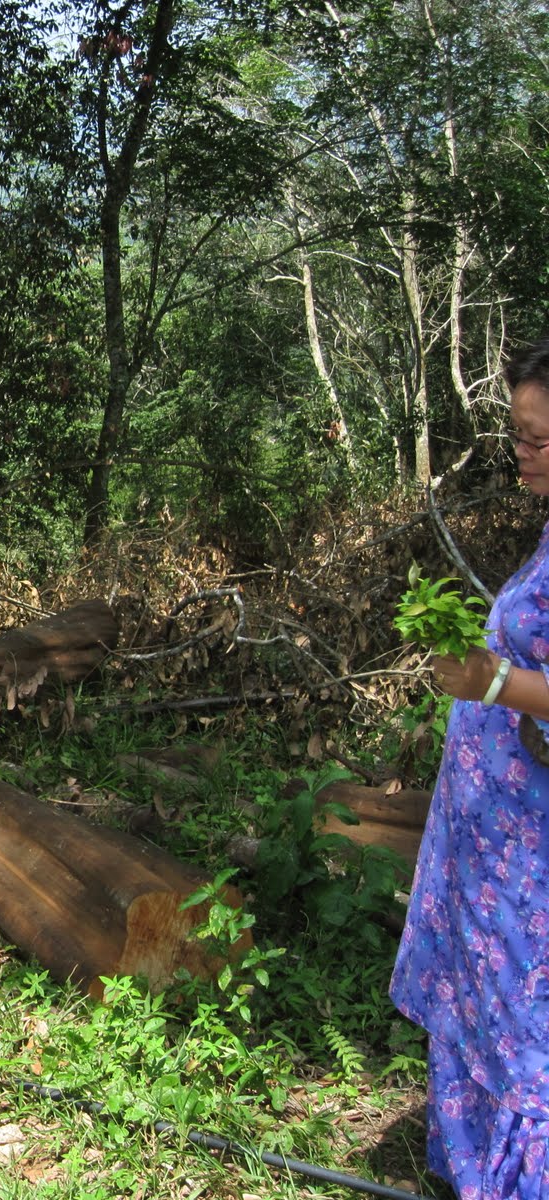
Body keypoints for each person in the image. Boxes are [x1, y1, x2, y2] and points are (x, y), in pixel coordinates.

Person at [391, 334, 549, 1198]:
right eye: (518, 436)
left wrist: (491, 679)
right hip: (494, 838)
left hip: (532, 859)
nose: (522, 453)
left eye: (537, 439)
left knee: (530, 1031)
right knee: (487, 1010)